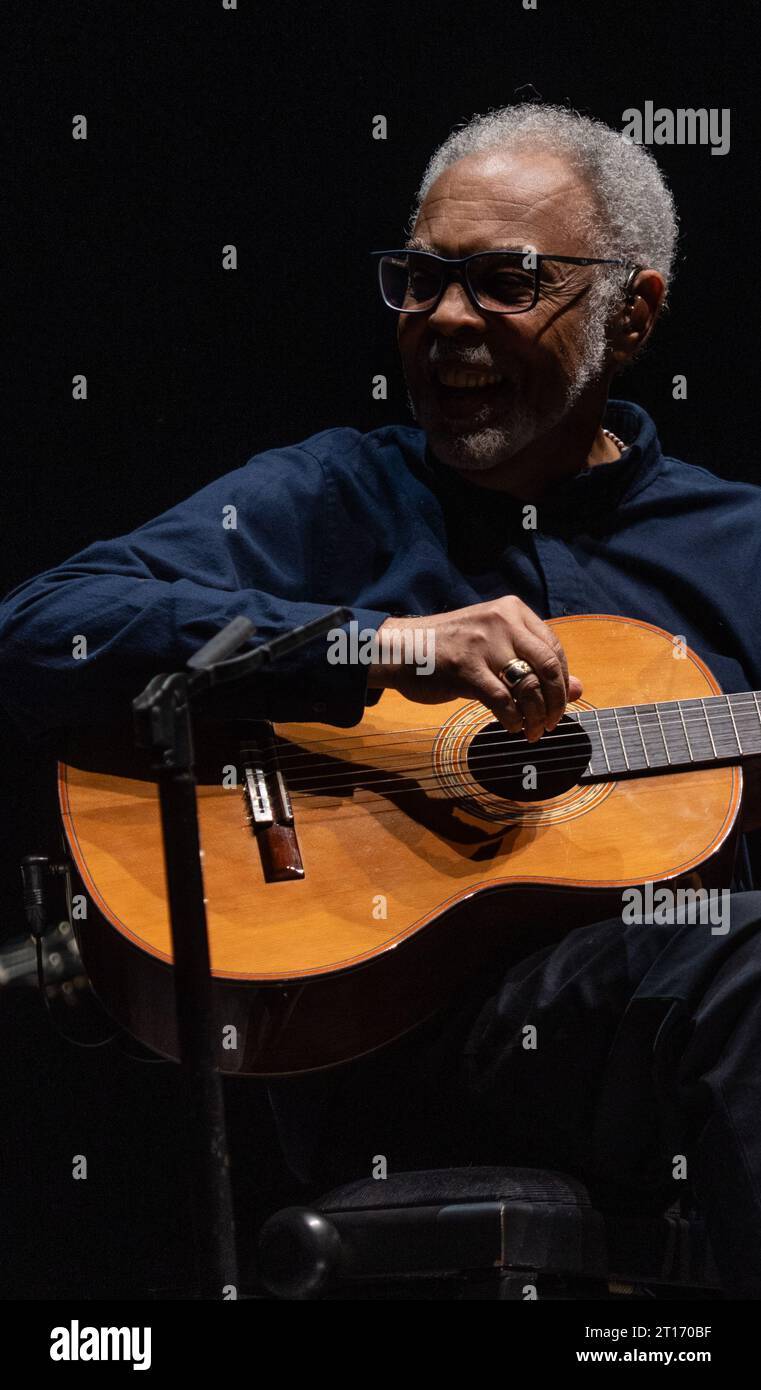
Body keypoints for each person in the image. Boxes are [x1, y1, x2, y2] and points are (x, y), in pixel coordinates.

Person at [2, 103, 761, 1295]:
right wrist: (377, 646)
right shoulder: (330, 496)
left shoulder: (738, 546)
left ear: (635, 312)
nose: (447, 319)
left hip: (678, 1019)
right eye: (421, 279)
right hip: (404, 1028)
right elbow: (42, 629)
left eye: (503, 282)